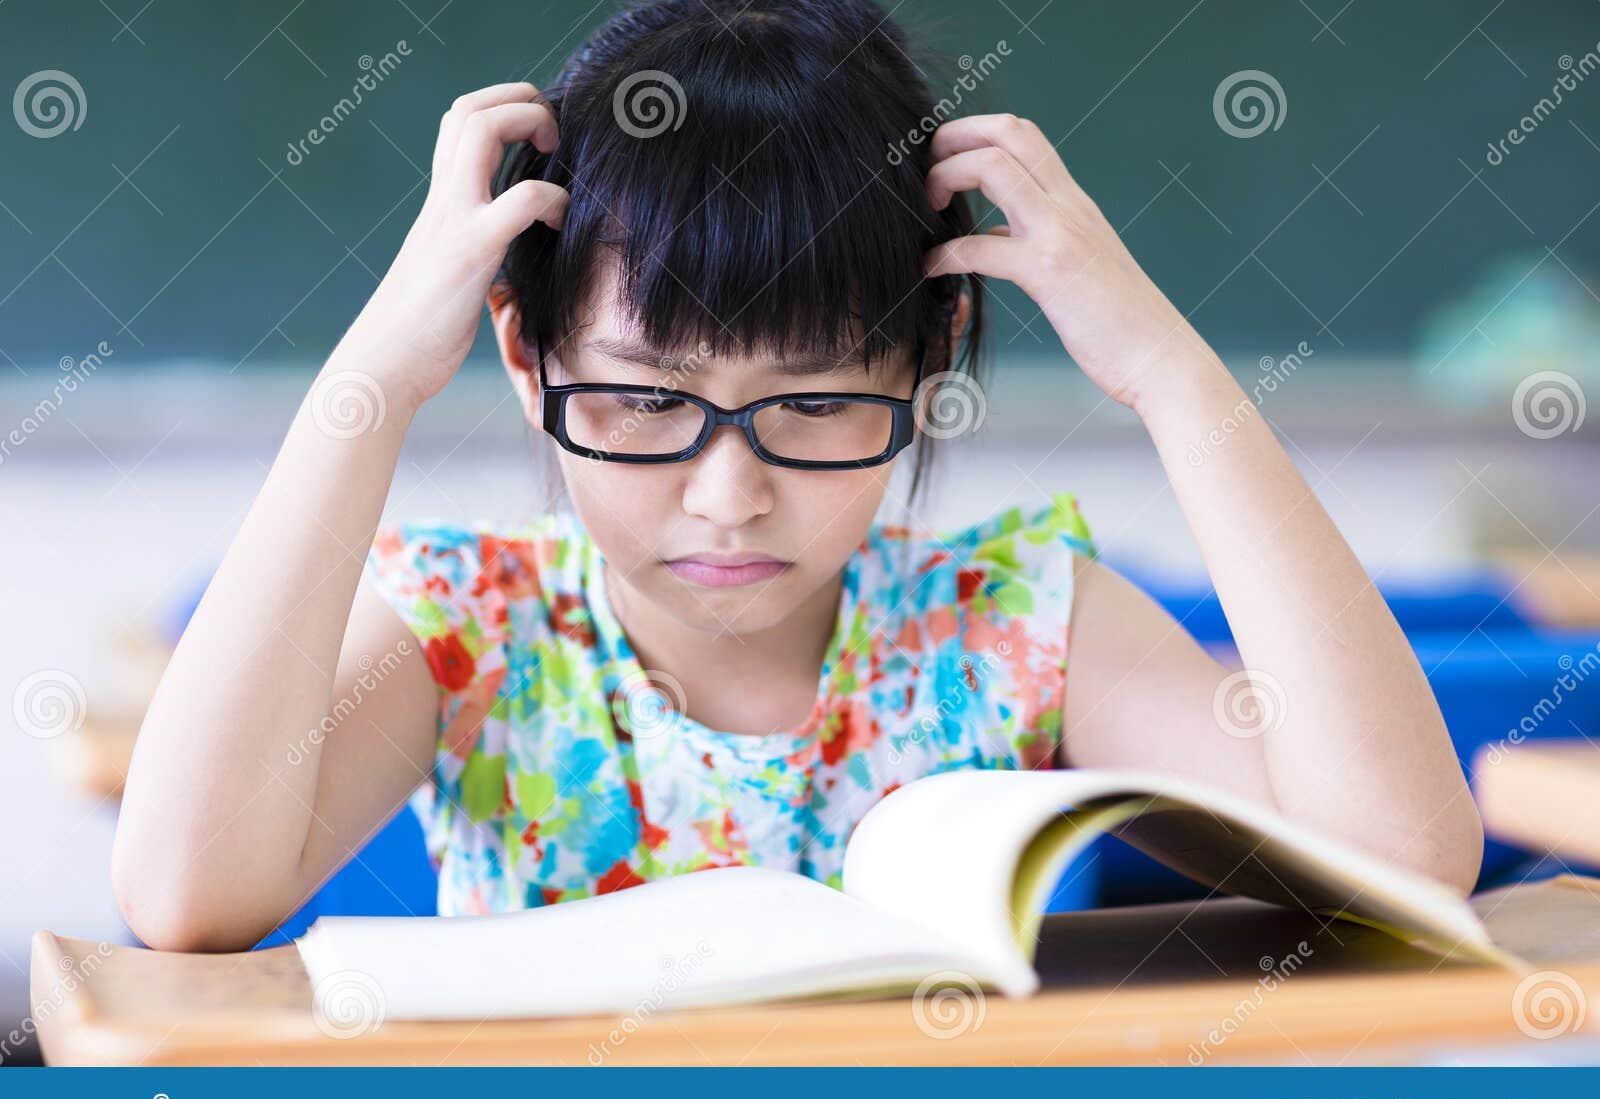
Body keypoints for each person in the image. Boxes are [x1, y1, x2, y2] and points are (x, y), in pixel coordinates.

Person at [113, 0, 1482, 951]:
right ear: (527, 361)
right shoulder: (470, 628)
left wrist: (1171, 378)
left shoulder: (1006, 621)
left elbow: (1403, 855)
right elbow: (181, 894)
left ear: (921, 362)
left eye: (817, 401)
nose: (728, 494)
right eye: (648, 399)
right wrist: (374, 382)